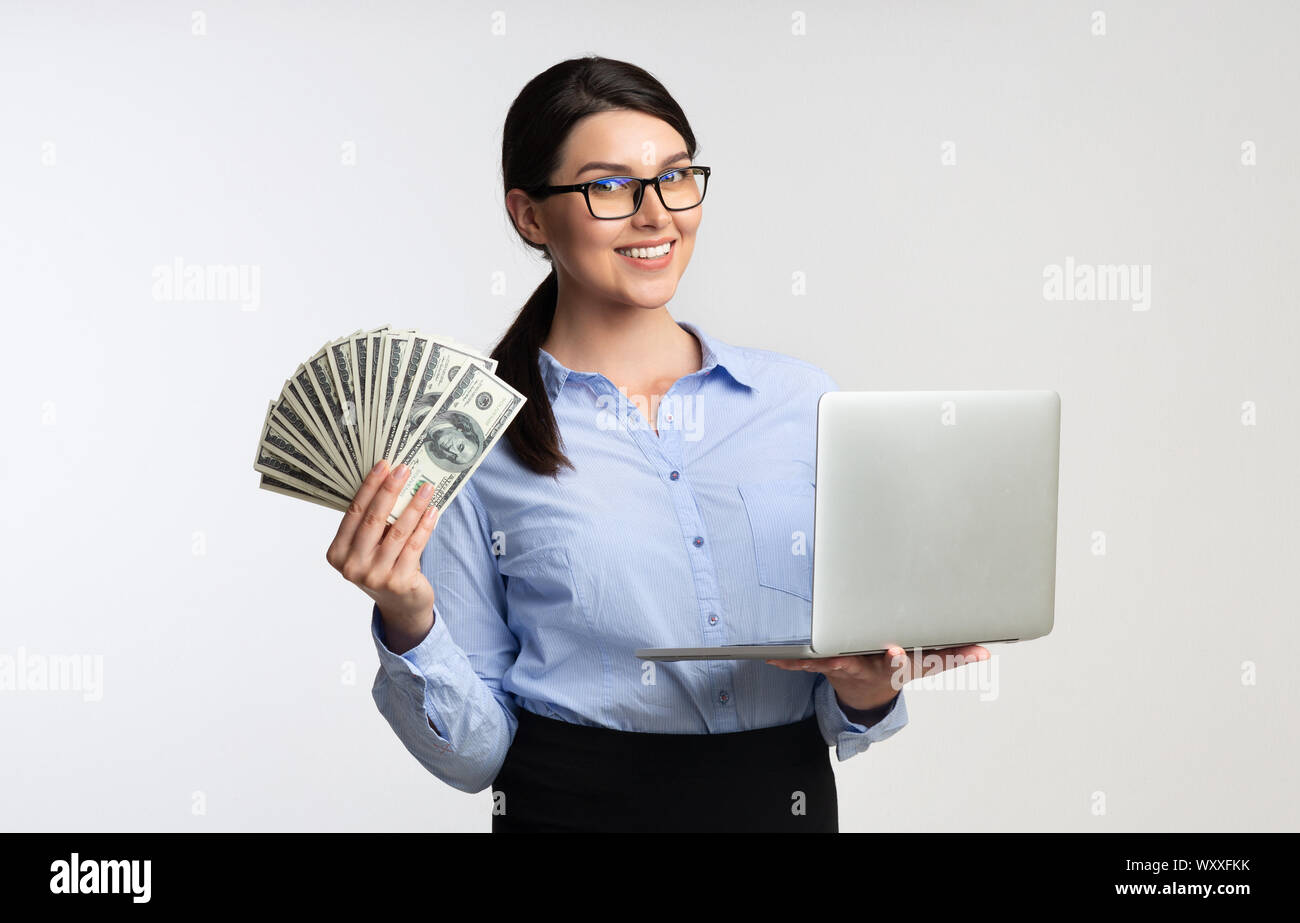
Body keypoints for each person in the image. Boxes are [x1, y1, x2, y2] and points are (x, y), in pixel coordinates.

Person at [326, 55, 988, 832]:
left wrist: (869, 684)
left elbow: (843, 705)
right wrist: (408, 618)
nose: (656, 215)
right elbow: (475, 758)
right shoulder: (472, 442)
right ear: (530, 216)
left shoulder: (803, 404)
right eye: (609, 186)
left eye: (674, 177)